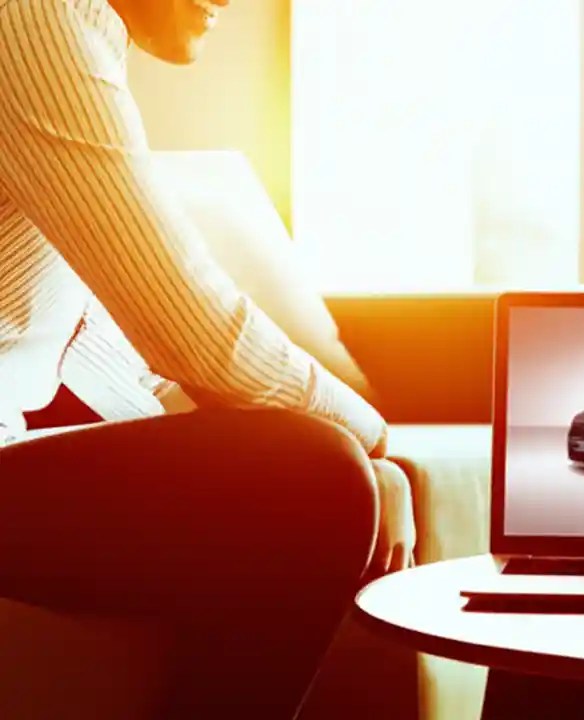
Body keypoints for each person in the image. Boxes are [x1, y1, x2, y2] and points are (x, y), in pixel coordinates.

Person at [0, 0, 418, 716]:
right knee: (312, 479)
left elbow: (99, 334)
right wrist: (378, 443)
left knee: (295, 470)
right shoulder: (33, 20)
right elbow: (196, 331)